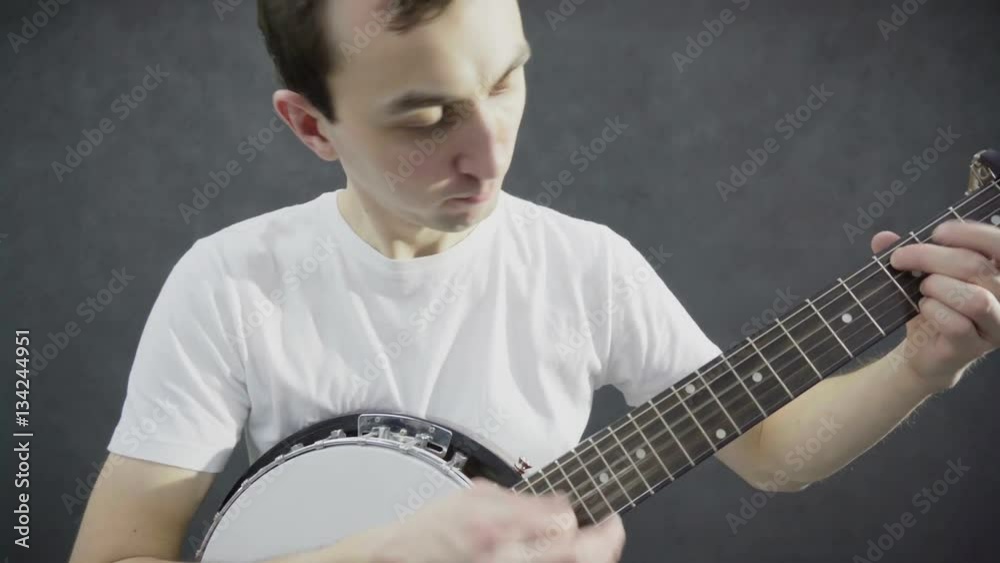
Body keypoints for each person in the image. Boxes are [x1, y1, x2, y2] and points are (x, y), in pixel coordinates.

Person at [69, 1, 1000, 562]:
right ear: (313, 126)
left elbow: (767, 449)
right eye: (426, 119)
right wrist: (391, 551)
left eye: (506, 81)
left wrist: (920, 366)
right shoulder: (233, 283)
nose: (490, 152)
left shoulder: (585, 267)